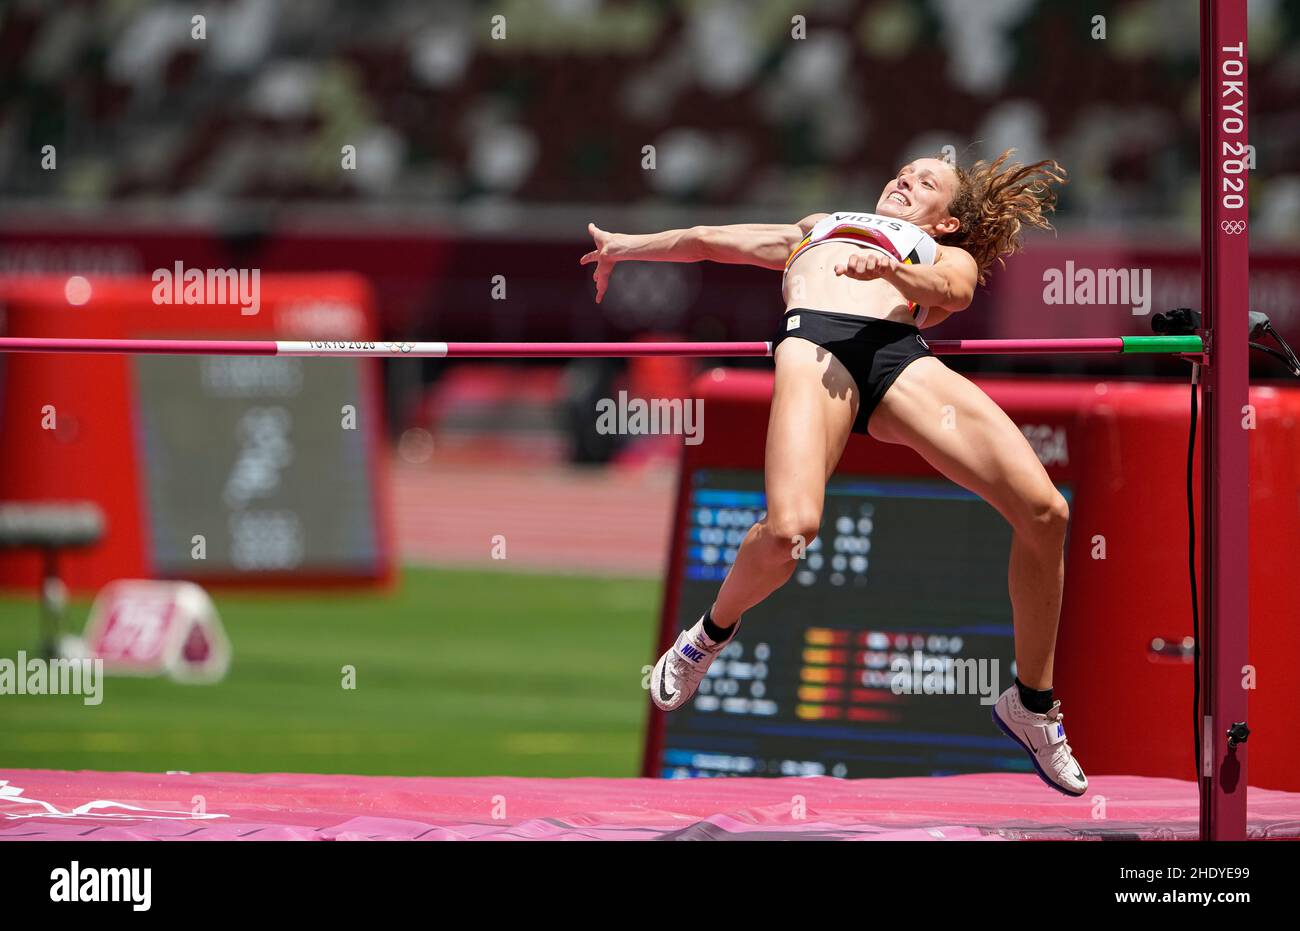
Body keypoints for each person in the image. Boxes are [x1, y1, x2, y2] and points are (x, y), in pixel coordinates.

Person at [581, 150, 1085, 796]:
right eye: (902, 172)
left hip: (898, 360)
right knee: (791, 531)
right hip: (814, 346)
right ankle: (706, 636)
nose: (905, 180)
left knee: (1047, 512)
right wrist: (626, 245)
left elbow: (953, 292)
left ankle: (1032, 704)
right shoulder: (820, 223)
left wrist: (897, 272)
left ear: (949, 221)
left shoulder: (937, 250)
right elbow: (708, 240)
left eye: (926, 181)